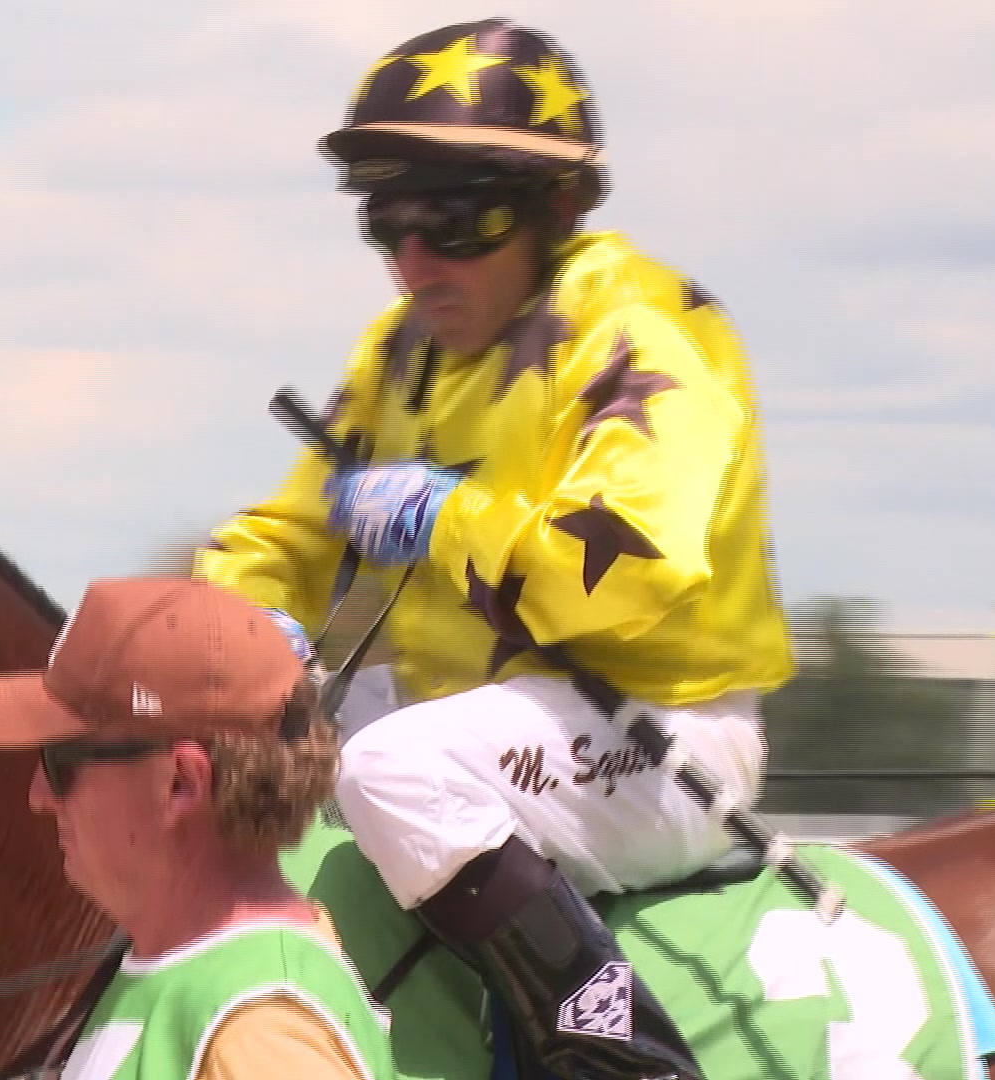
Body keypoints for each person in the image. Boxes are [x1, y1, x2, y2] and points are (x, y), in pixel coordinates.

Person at [194, 16, 795, 1080]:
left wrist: (445, 517)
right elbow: (286, 532)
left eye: (455, 221)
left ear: (554, 209)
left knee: (390, 764)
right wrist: (239, 632)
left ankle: (617, 1054)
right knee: (215, 763)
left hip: (663, 734)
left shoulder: (646, 329)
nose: (412, 263)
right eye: (387, 223)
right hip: (487, 727)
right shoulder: (402, 353)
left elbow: (633, 568)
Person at [0, 577, 396, 1080]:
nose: (38, 796)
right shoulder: (189, 969)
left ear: (179, 783)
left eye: (59, 760)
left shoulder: (261, 1031)